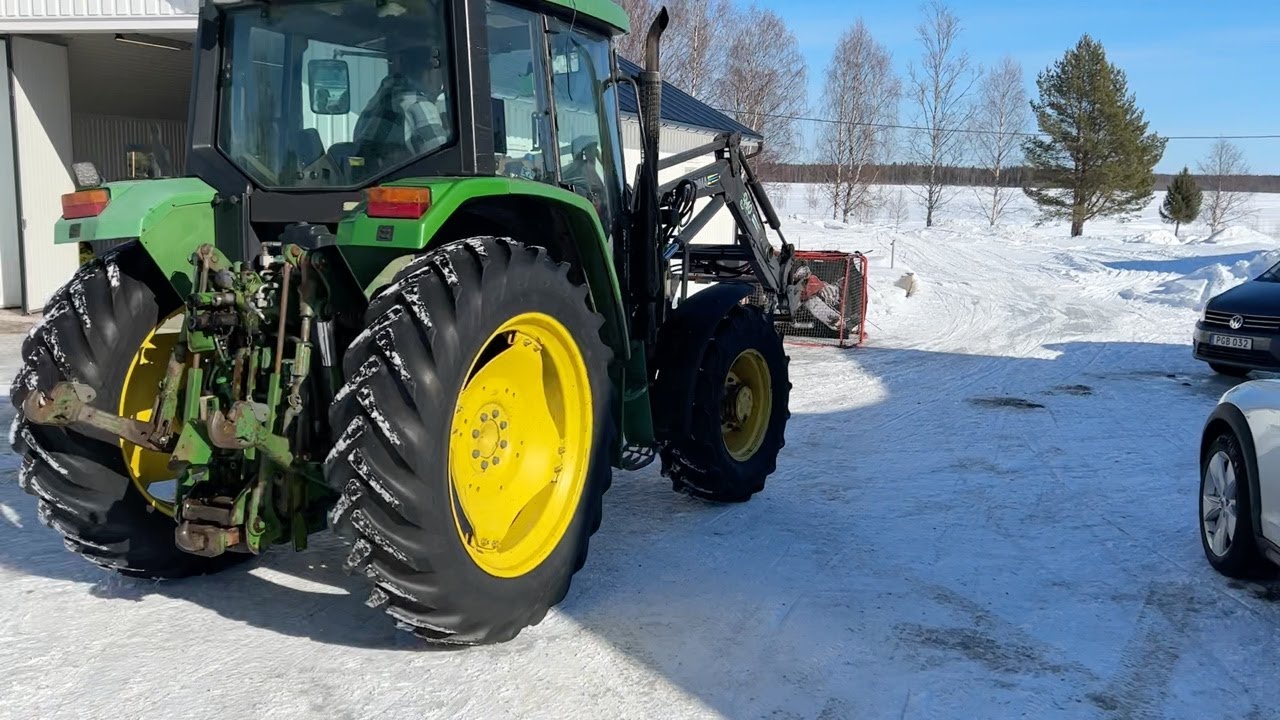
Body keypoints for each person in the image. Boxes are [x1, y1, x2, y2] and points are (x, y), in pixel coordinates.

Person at [353, 42, 449, 165]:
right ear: (430, 71)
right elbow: (441, 161)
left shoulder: (375, 103)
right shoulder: (419, 106)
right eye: (442, 72)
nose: (442, 82)